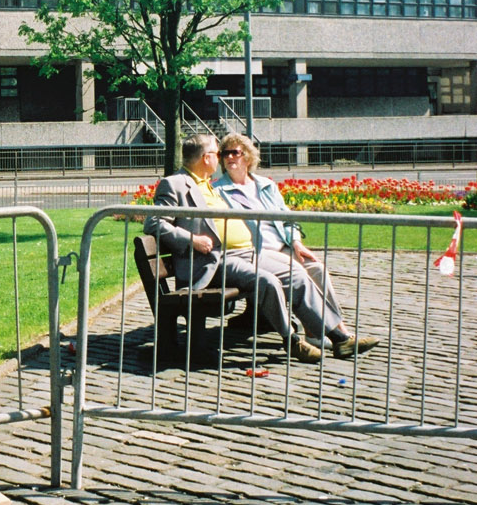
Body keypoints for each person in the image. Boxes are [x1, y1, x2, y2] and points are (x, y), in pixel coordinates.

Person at [145, 133, 348, 364]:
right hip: (213, 260)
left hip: (245, 252)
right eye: (218, 153)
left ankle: (339, 337)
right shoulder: (175, 183)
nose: (222, 158)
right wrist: (193, 239)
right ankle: (290, 340)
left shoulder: (207, 184)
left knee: (298, 274)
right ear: (206, 158)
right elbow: (153, 223)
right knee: (267, 282)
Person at [213, 133, 378, 359]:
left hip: (281, 246)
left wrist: (296, 242)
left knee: (317, 269)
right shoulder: (218, 191)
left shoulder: (266, 186)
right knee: (298, 273)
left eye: (236, 152)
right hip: (256, 252)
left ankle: (329, 333)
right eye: (225, 153)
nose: (230, 157)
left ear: (248, 157)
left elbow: (287, 218)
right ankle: (337, 336)